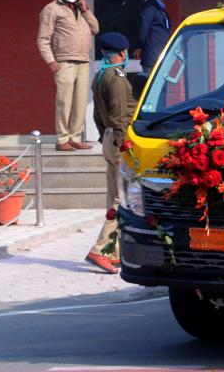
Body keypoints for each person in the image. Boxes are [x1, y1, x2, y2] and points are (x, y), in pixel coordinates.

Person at [85, 32, 137, 274]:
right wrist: (123, 144)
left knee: (113, 197)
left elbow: (98, 114)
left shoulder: (100, 75)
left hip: (108, 137)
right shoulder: (116, 78)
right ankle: (100, 250)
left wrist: (104, 136)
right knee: (120, 200)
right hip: (119, 139)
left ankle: (113, 251)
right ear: (123, 53)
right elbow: (119, 115)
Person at [36, 0, 99, 151]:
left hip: (83, 60)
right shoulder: (51, 9)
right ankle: (62, 139)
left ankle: (75, 137)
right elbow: (43, 39)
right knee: (64, 102)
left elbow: (95, 29)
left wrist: (85, 10)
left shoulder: (81, 9)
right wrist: (51, 60)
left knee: (80, 101)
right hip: (64, 61)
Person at [134, 0, 172, 73]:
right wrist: (140, 46)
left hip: (159, 56)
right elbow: (143, 30)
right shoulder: (150, 8)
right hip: (153, 59)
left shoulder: (158, 7)